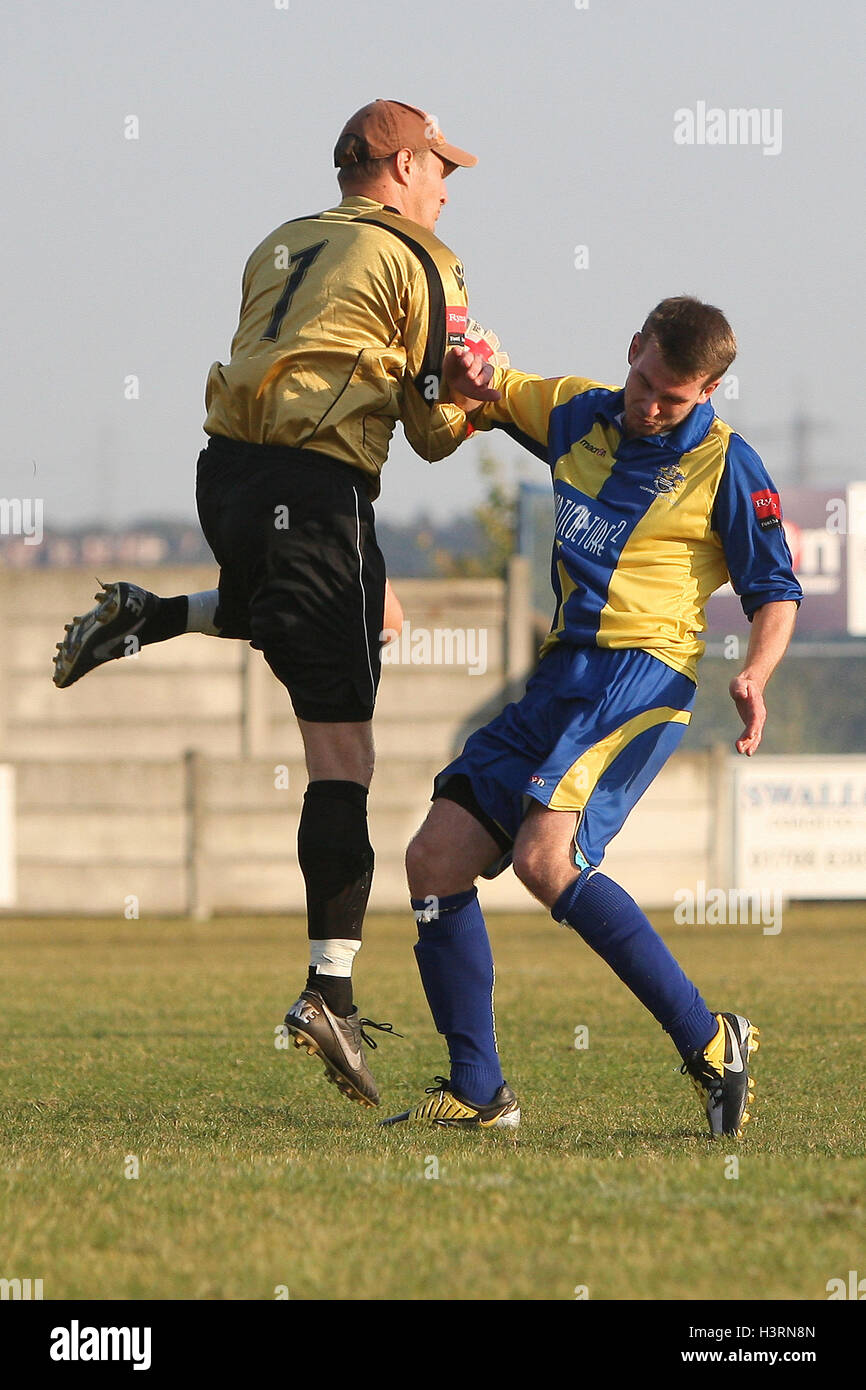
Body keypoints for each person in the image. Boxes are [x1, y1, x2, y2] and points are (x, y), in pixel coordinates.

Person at [51, 100, 499, 1110]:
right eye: (439, 165)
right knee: (346, 757)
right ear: (394, 164)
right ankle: (328, 990)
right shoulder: (424, 260)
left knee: (313, 614)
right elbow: (430, 432)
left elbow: (310, 361)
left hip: (226, 477)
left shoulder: (283, 240)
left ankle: (149, 615)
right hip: (315, 485)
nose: (447, 185)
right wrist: (475, 395)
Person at [384, 296, 802, 1138]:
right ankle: (478, 1090)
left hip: (641, 680)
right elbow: (494, 391)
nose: (650, 405)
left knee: (545, 858)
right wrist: (469, 377)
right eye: (645, 380)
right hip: (559, 678)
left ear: (710, 391)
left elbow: (775, 591)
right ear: (634, 347)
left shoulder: (728, 466)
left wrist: (756, 672)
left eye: (674, 398)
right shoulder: (579, 411)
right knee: (432, 859)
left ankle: (712, 1042)